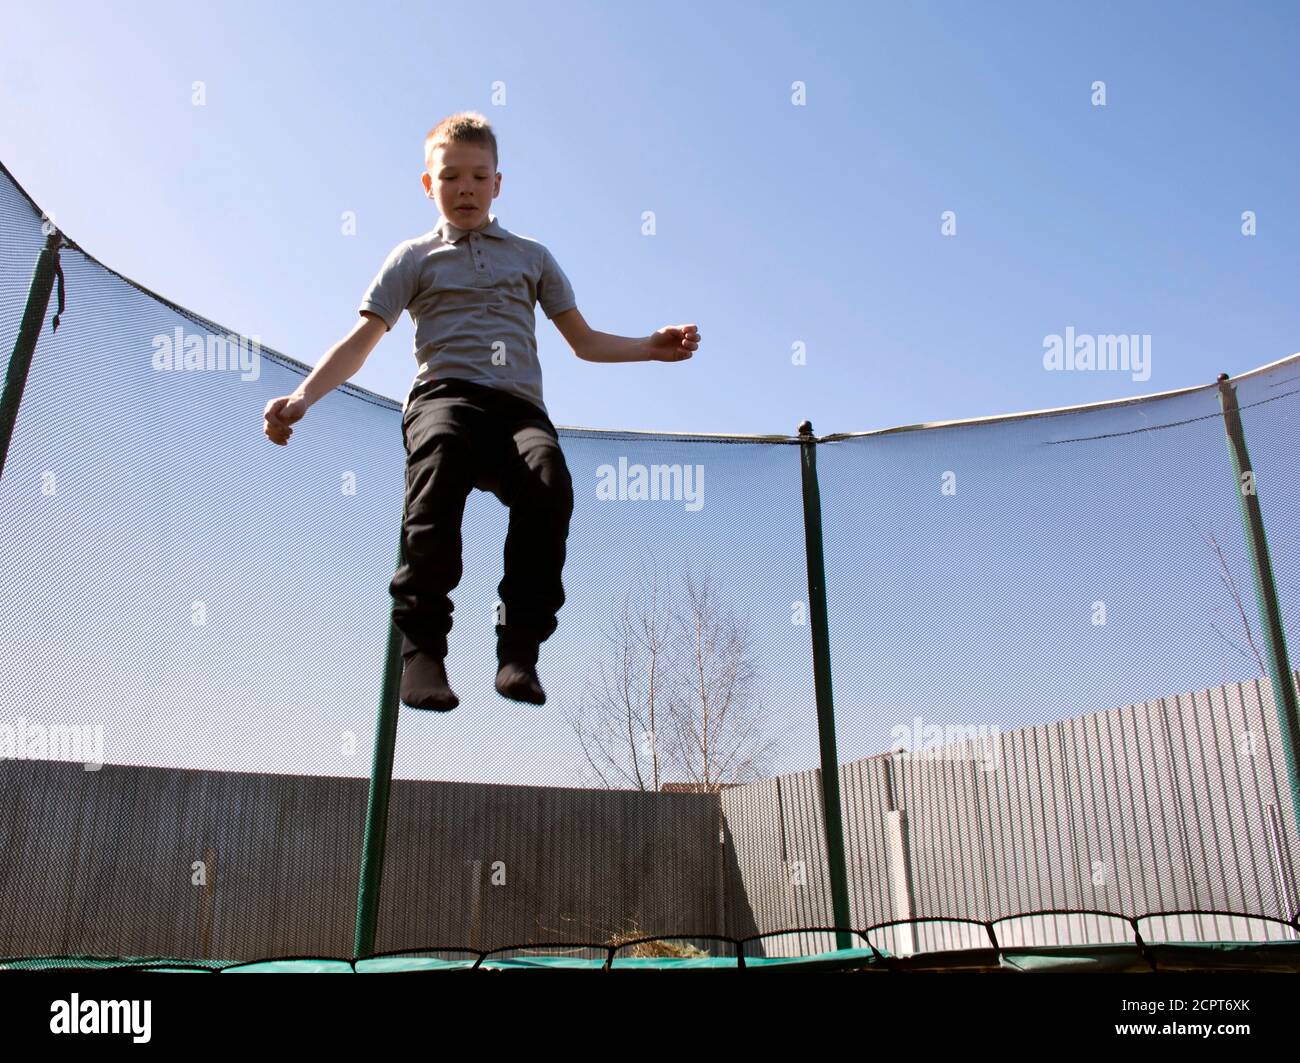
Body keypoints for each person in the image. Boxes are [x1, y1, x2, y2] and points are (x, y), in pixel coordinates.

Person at [262, 111, 699, 711]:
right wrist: (303, 396)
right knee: (439, 459)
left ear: (498, 183)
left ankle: (518, 647)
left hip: (519, 410)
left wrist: (650, 348)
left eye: (477, 176)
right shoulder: (413, 258)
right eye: (450, 177)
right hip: (447, 398)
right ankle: (424, 652)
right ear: (428, 185)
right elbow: (362, 341)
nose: (464, 188)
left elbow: (584, 341)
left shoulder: (532, 257)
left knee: (548, 478)